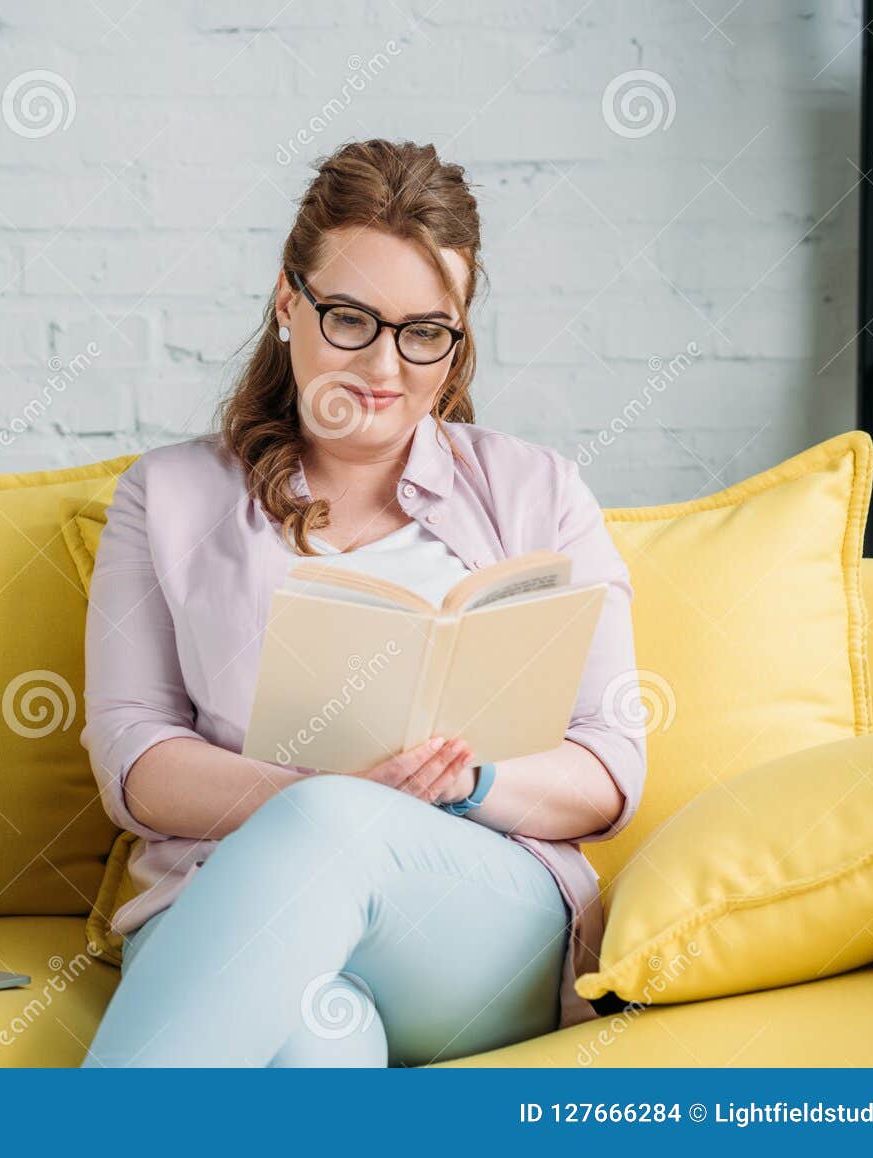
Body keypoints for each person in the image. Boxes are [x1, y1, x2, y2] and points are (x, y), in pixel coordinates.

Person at [78, 138, 646, 1068]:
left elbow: (612, 764)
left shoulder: (540, 493)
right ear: (288, 301)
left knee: (330, 826)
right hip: (221, 906)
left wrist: (468, 786)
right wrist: (317, 795)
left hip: (476, 923)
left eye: (426, 332)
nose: (386, 368)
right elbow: (135, 760)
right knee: (314, 1046)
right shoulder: (169, 496)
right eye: (351, 319)